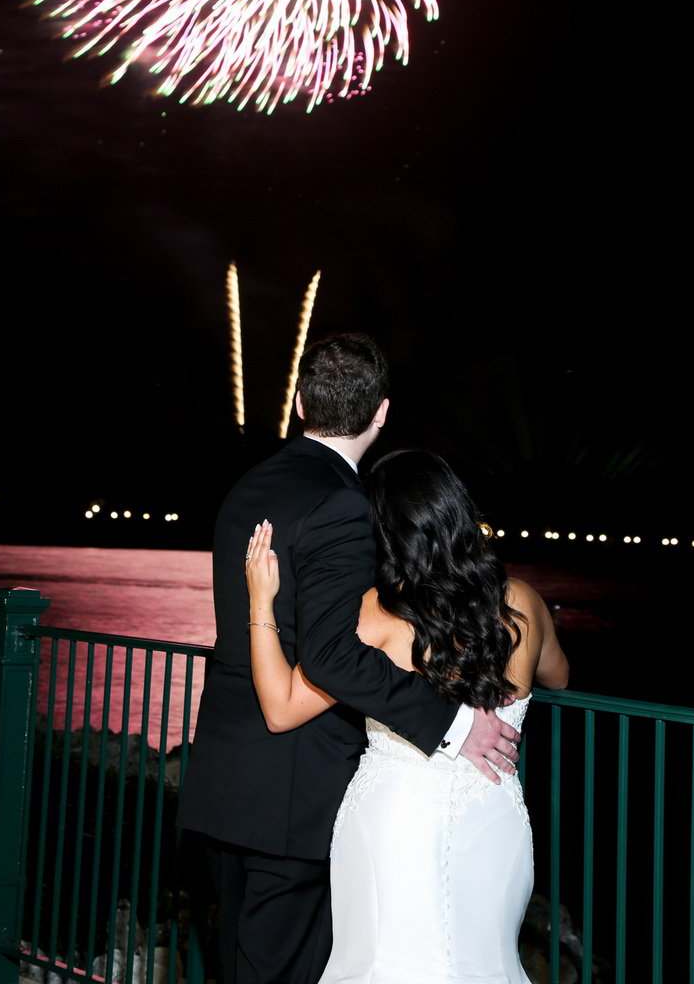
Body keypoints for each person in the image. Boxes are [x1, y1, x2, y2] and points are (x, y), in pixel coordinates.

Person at [175, 333, 521, 984]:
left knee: (238, 962)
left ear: (301, 404)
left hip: (225, 775)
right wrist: (453, 724)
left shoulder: (248, 488)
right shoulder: (344, 504)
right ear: (382, 413)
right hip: (293, 793)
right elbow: (333, 655)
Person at [243, 450, 570, 981]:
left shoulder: (376, 614)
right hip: (494, 819)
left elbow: (280, 708)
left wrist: (261, 603)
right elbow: (559, 676)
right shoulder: (522, 604)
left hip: (393, 822)